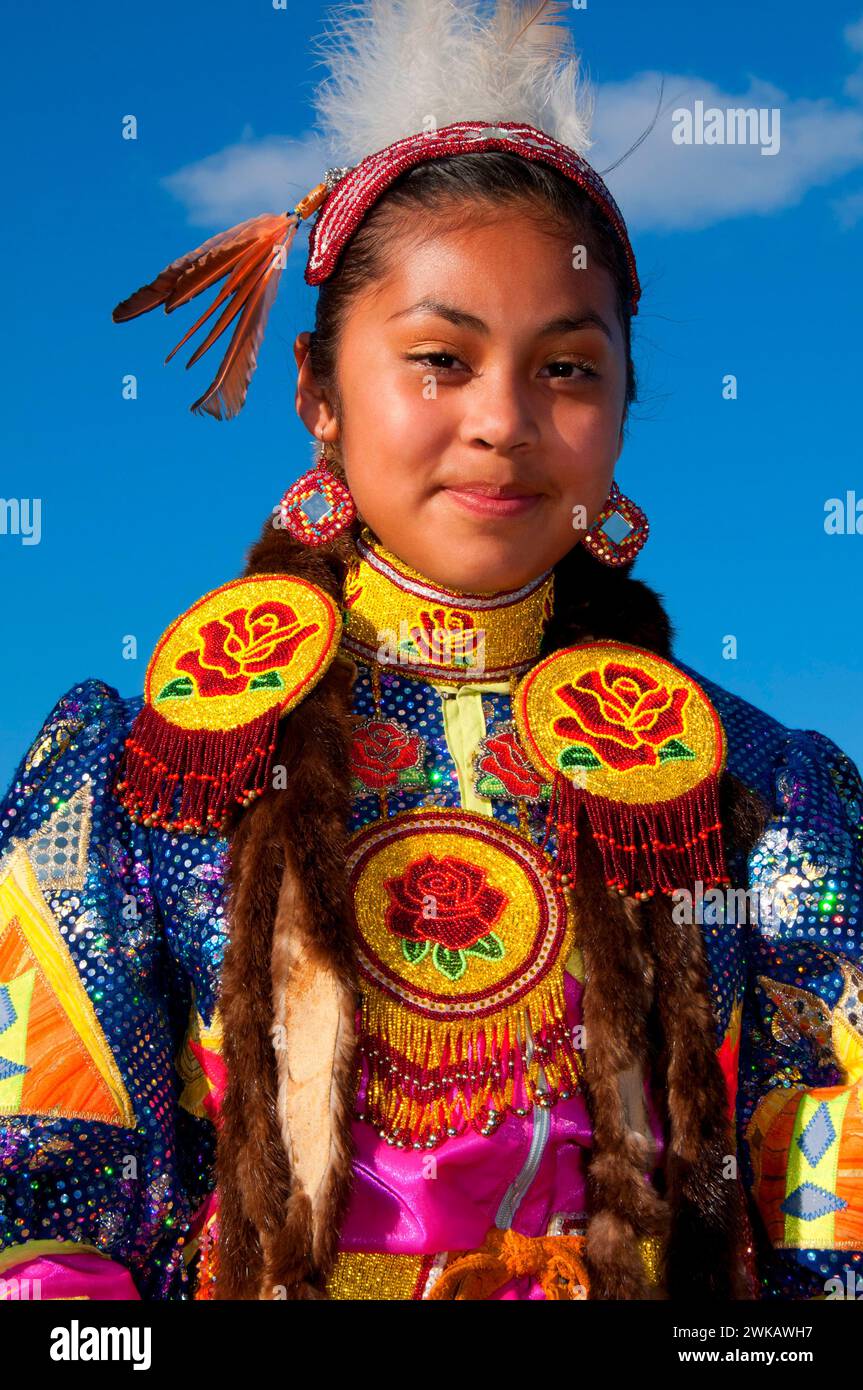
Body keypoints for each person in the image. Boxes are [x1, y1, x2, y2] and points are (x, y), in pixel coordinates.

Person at [1, 0, 861, 1302]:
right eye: (438, 358)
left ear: (625, 402)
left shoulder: (763, 798)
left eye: (567, 369)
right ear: (318, 393)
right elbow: (49, 1232)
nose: (504, 421)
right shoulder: (142, 784)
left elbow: (831, 1233)